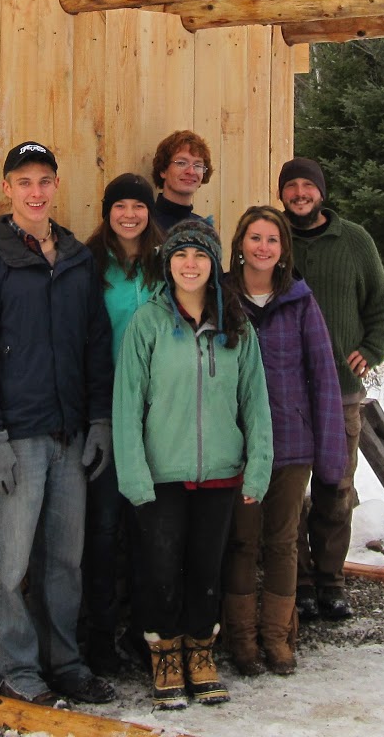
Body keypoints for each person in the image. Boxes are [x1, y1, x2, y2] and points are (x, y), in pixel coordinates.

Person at [0, 141, 117, 705]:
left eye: (44, 180)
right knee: (10, 561)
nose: (36, 192)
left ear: (55, 186)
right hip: (18, 437)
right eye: (24, 182)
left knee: (63, 562)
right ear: (7, 189)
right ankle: (13, 668)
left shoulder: (76, 259)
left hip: (70, 436)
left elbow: (96, 344)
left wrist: (100, 419)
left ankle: (63, 662)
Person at [114, 218, 272, 709]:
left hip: (220, 473)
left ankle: (201, 654)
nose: (190, 264)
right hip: (161, 474)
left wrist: (259, 465)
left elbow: (256, 400)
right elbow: (127, 403)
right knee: (160, 569)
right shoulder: (149, 323)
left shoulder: (236, 325)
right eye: (181, 255)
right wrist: (134, 474)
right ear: (169, 262)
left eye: (200, 256)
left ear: (214, 264)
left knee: (206, 568)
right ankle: (165, 659)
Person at [221, 205, 347, 675]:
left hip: (291, 442)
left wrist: (330, 455)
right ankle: (241, 640)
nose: (263, 247)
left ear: (282, 249)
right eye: (255, 238)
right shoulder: (222, 299)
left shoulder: (299, 301)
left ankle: (277, 637)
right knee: (241, 542)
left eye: (272, 240)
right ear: (240, 245)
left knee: (282, 543)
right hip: (235, 445)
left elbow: (323, 376)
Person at [278, 156, 384, 624]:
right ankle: (299, 583)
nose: (300, 194)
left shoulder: (354, 241)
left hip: (341, 391)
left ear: (321, 193)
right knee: (290, 494)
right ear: (282, 193)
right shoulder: (272, 237)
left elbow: (381, 305)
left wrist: (371, 348)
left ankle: (331, 580)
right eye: (292, 187)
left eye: (308, 186)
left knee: (335, 488)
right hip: (286, 392)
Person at [80, 172, 164, 674]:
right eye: (120, 206)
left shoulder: (165, 262)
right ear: (107, 211)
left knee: (149, 525)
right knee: (105, 526)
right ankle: (99, 636)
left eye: (138, 206)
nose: (130, 214)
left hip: (157, 413)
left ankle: (144, 631)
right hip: (109, 411)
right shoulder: (90, 264)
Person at [149, 130, 213, 232]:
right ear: (163, 170)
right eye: (181, 163)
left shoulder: (204, 230)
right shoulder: (146, 224)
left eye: (198, 165)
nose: (191, 172)